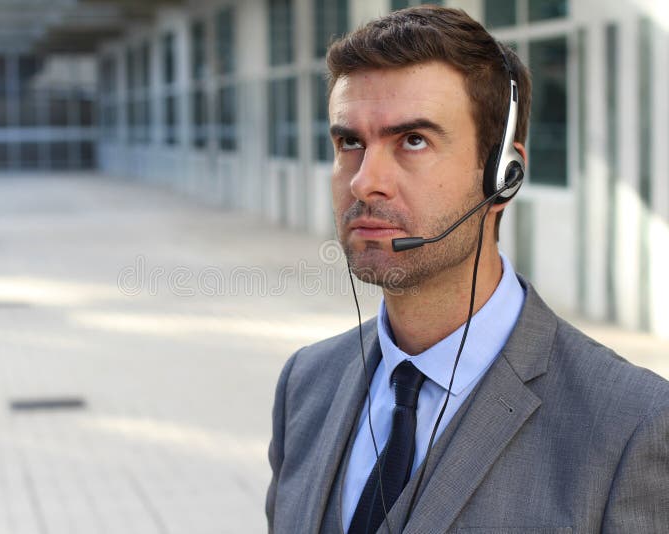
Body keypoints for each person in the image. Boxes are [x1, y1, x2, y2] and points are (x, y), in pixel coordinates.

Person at [265, 6, 669, 534]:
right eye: (350, 143)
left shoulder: (631, 424)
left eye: (413, 140)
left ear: (504, 176)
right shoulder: (305, 382)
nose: (365, 182)